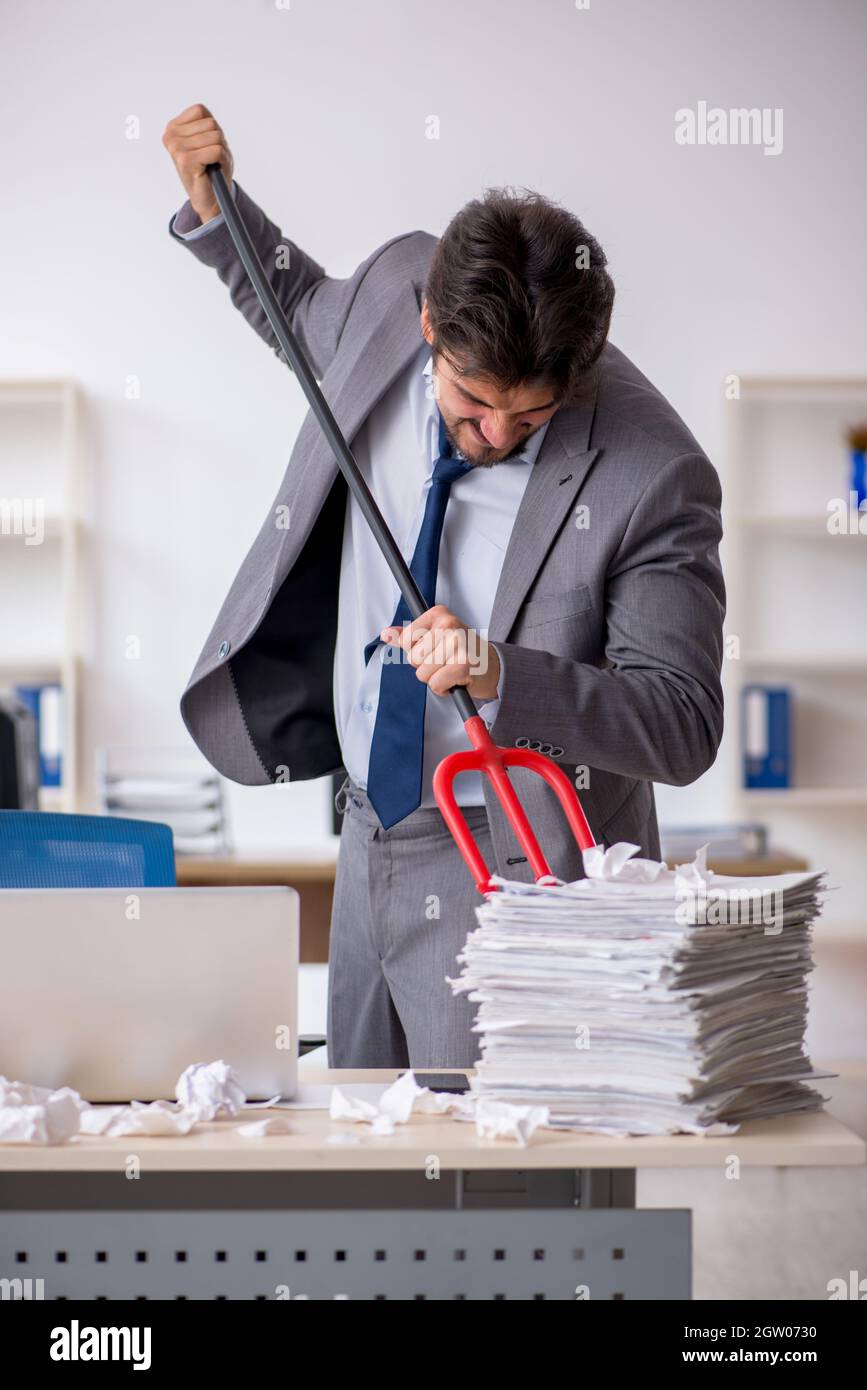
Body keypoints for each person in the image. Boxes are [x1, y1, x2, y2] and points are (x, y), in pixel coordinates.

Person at [163, 103, 725, 1069]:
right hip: (364, 830)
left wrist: (506, 673)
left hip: (516, 867)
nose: (496, 434)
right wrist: (217, 208)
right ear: (428, 322)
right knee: (362, 1154)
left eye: (530, 414)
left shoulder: (653, 474)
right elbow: (299, 316)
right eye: (472, 402)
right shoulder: (391, 295)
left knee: (504, 1179)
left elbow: (680, 724)